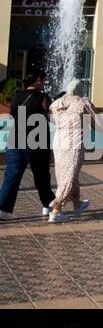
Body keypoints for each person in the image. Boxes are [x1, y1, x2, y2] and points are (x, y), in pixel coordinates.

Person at [47, 80, 103, 223]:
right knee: (69, 176)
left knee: (68, 173)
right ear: (80, 89)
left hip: (58, 142)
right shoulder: (83, 102)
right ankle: (56, 210)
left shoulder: (57, 103)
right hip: (73, 143)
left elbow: (51, 118)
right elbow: (97, 122)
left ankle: (77, 204)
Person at [0, 73, 56, 220]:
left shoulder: (17, 96)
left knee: (11, 176)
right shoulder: (43, 97)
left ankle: (3, 209)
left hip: (15, 141)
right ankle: (49, 206)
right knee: (42, 176)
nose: (44, 83)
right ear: (37, 80)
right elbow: (50, 116)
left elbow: (13, 114)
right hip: (37, 142)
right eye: (43, 80)